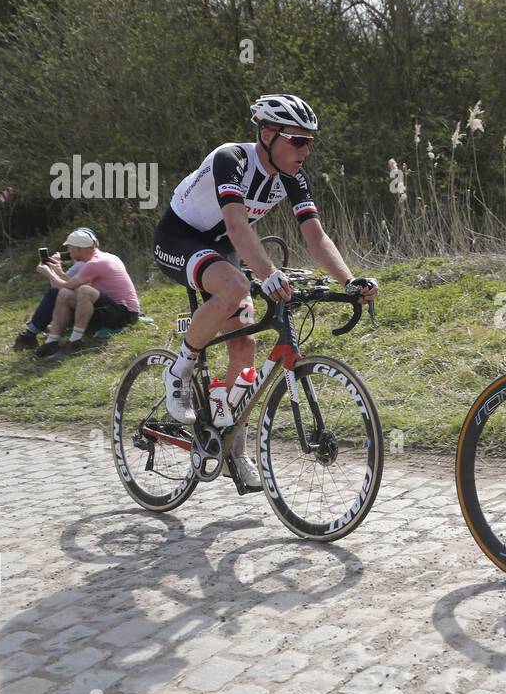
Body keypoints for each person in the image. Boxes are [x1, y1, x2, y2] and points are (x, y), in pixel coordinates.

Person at [153, 93, 379, 490]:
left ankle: (231, 453)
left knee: (244, 350)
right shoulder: (231, 159)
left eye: (310, 141)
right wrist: (268, 273)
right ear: (268, 133)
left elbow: (315, 236)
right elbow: (238, 225)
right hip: (179, 238)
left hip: (222, 249)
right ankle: (180, 368)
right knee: (237, 285)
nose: (305, 149)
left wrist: (349, 281)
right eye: (297, 140)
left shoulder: (292, 176)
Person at [32, 228, 141, 360]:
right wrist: (59, 272)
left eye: (70, 249)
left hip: (126, 315)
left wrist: (48, 273)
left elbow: (68, 285)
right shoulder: (106, 257)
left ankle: (75, 342)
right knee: (65, 294)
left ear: (79, 250)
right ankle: (52, 342)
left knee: (84, 291)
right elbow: (70, 285)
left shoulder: (95, 263)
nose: (69, 254)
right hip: (111, 311)